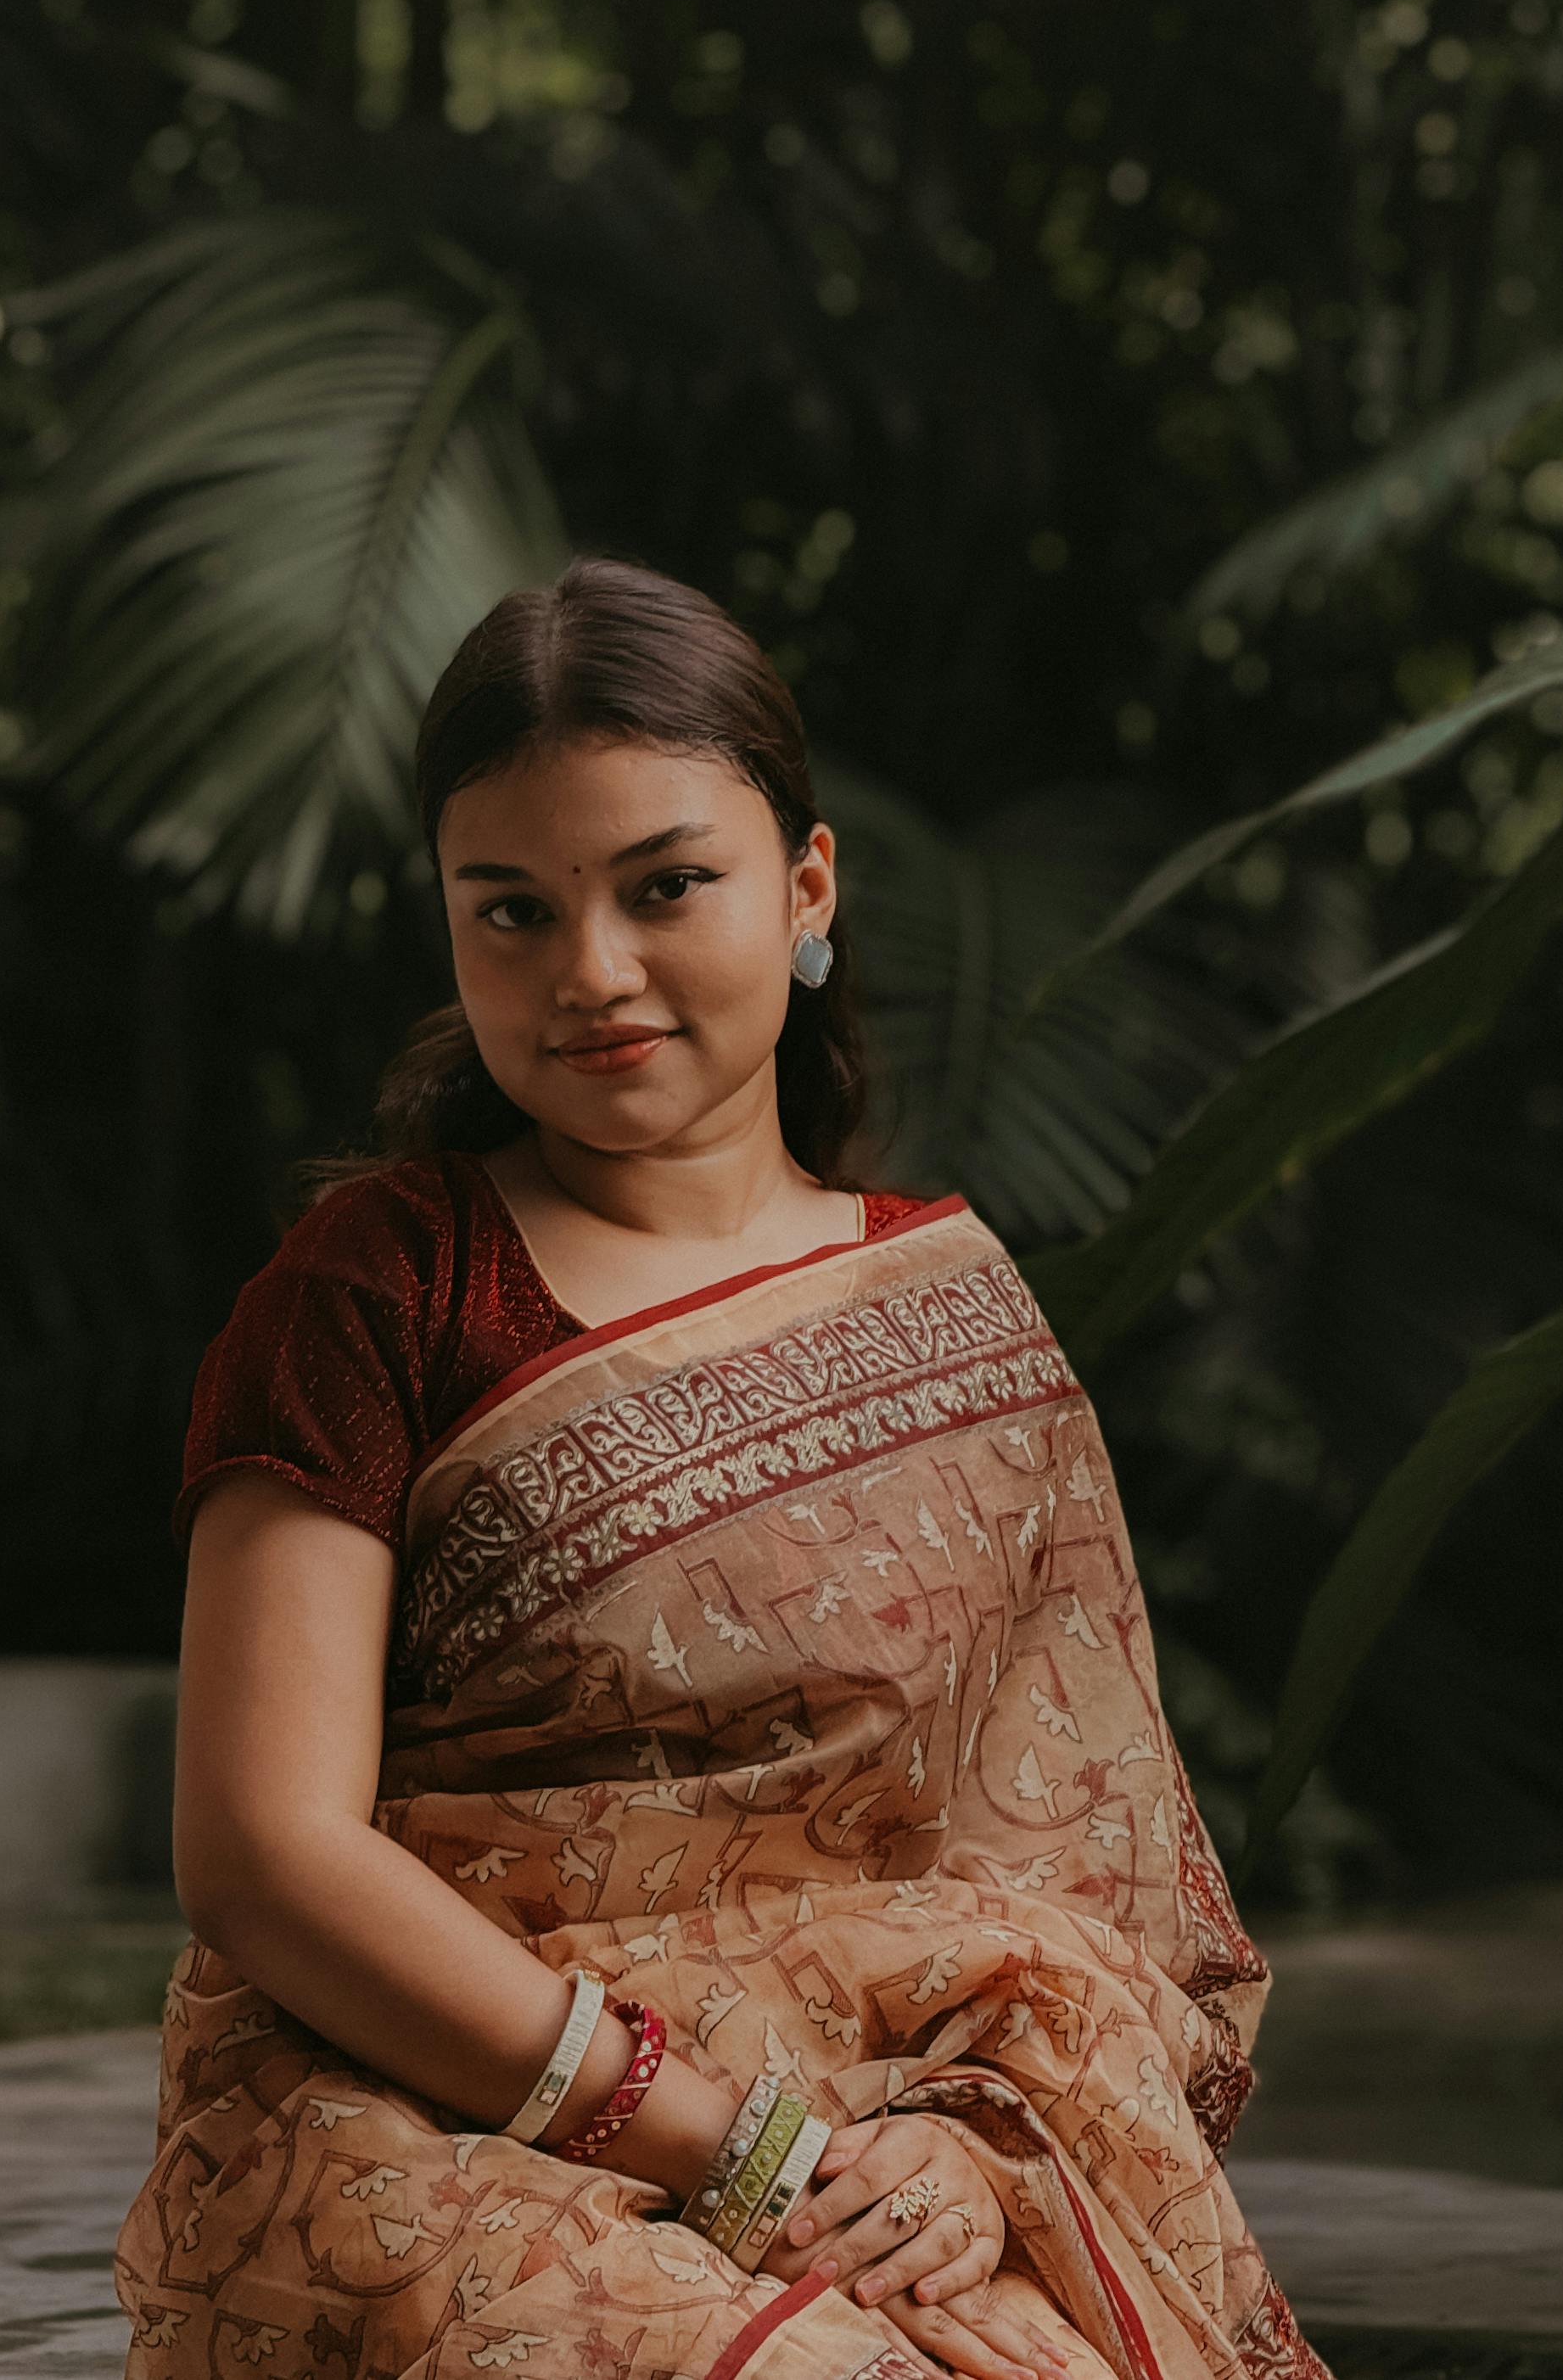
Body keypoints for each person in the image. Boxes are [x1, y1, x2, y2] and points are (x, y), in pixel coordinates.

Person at [115, 557, 1325, 2380]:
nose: (590, 972)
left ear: (806, 887)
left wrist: (965, 2151)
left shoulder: (951, 1307)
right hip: (427, 2126)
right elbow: (263, 1857)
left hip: (875, 2149)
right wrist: (727, 2147)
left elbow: (1084, 1893)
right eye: (510, 910)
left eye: (665, 886)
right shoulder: (382, 1290)